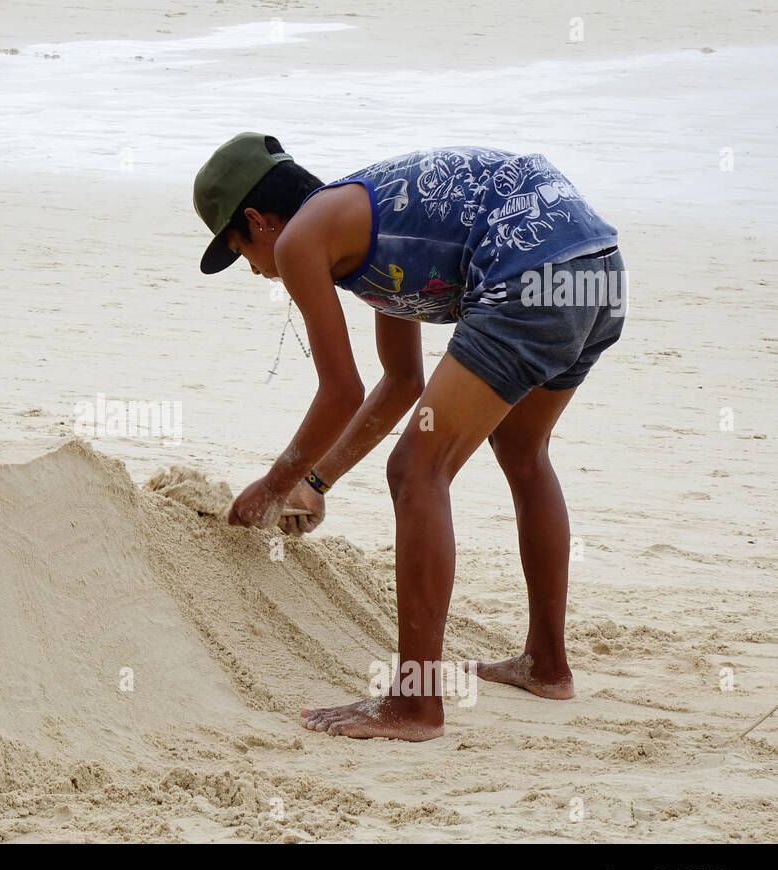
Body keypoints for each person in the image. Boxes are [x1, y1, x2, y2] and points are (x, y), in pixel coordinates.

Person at [193, 133, 625, 740]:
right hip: (596, 272)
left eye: (241, 252)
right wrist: (317, 484)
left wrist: (274, 484)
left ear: (258, 222)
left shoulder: (299, 241)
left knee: (415, 471)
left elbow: (340, 391)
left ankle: (416, 704)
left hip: (529, 271)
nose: (257, 269)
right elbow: (400, 384)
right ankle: (546, 665)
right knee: (523, 451)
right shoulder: (372, 222)